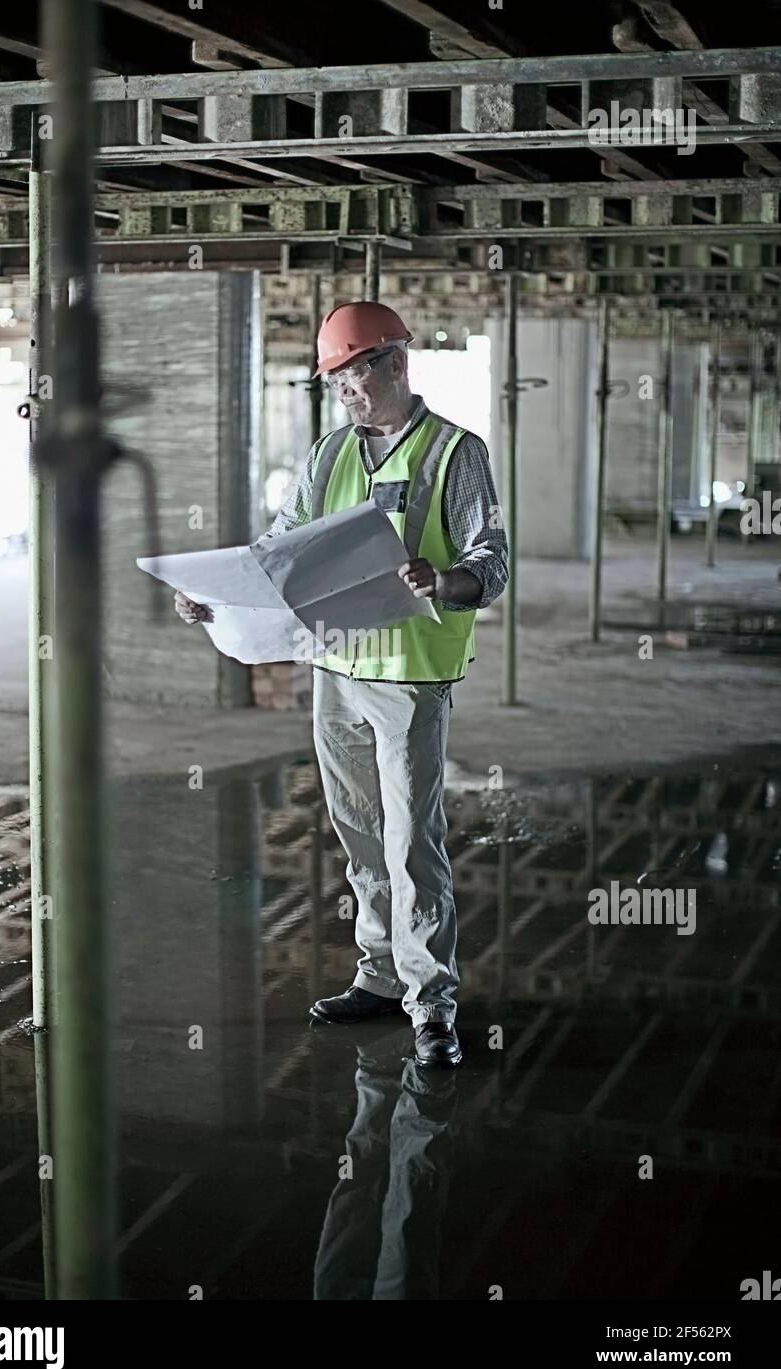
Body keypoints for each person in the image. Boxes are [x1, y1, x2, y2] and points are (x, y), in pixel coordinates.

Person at [176, 301, 508, 1066]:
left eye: (352, 373)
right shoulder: (329, 456)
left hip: (408, 678)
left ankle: (433, 1008)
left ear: (394, 363)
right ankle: (381, 976)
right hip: (336, 670)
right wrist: (215, 595)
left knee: (410, 845)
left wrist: (443, 579)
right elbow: (279, 548)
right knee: (360, 836)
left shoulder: (455, 453)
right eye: (334, 380)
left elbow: (492, 558)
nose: (345, 391)